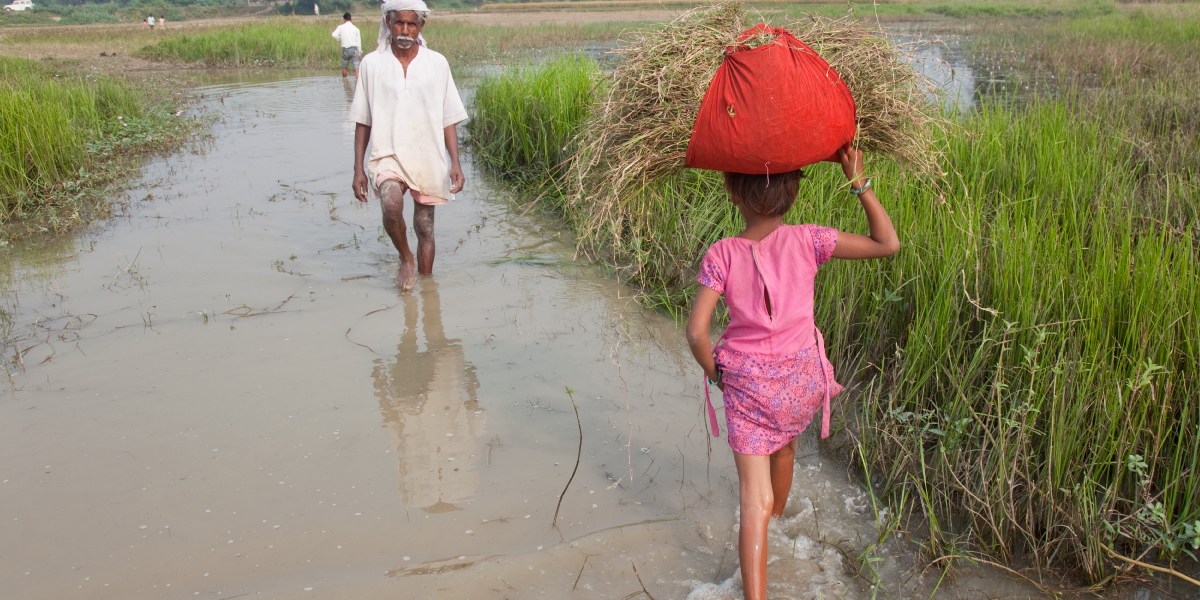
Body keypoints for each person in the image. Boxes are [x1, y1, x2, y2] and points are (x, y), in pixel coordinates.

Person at [685, 144, 899, 600]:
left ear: (731, 193)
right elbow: (887, 243)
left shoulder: (722, 253)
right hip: (801, 381)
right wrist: (857, 180)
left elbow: (697, 333)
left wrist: (717, 373)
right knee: (784, 450)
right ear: (795, 194)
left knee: (751, 499)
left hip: (749, 384)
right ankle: (778, 527)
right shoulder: (810, 239)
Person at [349, 0, 467, 291]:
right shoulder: (371, 64)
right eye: (399, 23)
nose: (404, 30)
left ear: (421, 26)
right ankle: (405, 258)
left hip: (427, 155)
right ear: (388, 23)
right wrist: (358, 170)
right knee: (390, 203)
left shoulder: (437, 63)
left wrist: (456, 163)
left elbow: (448, 118)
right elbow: (363, 121)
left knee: (425, 228)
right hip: (387, 154)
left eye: (411, 24)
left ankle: (427, 290)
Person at [331, 12, 362, 79]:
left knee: (344, 67)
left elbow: (333, 35)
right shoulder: (356, 29)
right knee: (357, 68)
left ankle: (345, 82)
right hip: (354, 50)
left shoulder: (340, 27)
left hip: (345, 50)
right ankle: (358, 83)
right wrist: (359, 52)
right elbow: (358, 42)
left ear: (344, 19)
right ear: (351, 19)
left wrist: (339, 38)